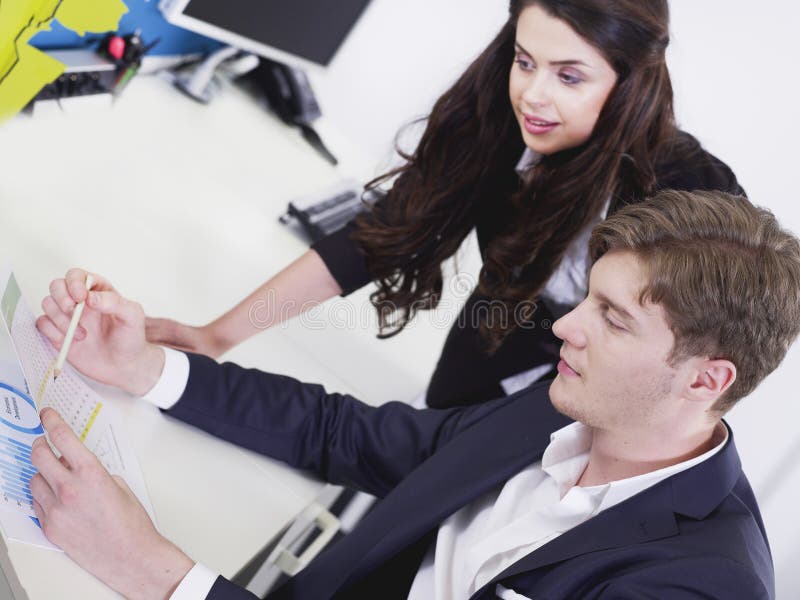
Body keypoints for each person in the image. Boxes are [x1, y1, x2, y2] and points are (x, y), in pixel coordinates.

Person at [32, 189, 799, 599]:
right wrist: (149, 368)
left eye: (614, 319)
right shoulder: (559, 406)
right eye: (587, 300)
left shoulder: (697, 584)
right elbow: (345, 435)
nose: (565, 328)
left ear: (706, 379)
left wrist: (156, 574)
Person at [145, 0, 745, 409]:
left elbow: (684, 360)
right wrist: (217, 336)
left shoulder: (692, 197)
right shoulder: (502, 116)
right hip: (489, 345)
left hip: (590, 404)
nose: (532, 95)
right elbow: (383, 234)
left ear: (630, 83)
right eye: (525, 61)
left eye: (569, 77)